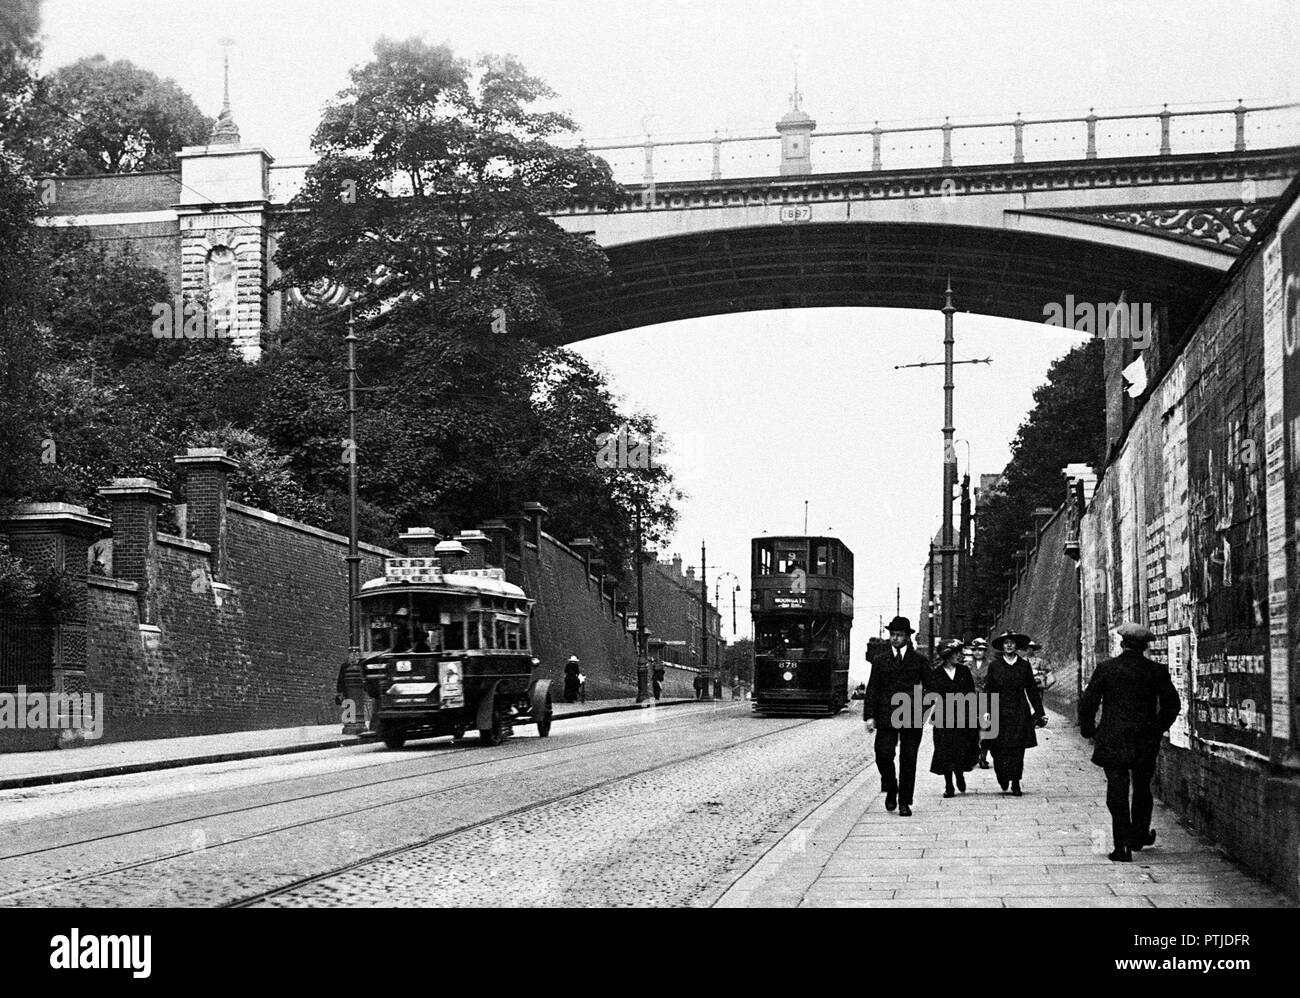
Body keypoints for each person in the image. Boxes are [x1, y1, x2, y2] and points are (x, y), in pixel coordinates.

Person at [1078, 622, 1181, 862]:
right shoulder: (1156, 671)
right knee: (1143, 788)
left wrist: (1089, 729)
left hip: (1113, 739)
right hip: (1145, 740)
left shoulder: (1106, 669)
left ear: (1122, 644)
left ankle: (1121, 845)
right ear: (1145, 646)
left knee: (1117, 789)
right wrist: (1157, 729)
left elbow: (1088, 701)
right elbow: (1172, 706)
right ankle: (1138, 836)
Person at [863, 616, 930, 817]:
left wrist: (921, 708)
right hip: (886, 716)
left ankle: (904, 802)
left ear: (907, 637)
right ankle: (891, 787)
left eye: (899, 635)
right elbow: (872, 688)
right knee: (883, 754)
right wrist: (869, 716)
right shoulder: (880, 660)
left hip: (911, 716)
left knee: (908, 759)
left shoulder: (919, 660)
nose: (895, 638)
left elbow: (932, 687)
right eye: (892, 634)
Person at [982, 630, 1047, 796]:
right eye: (1006, 642)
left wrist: (1039, 712)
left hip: (1019, 712)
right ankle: (1002, 775)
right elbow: (989, 691)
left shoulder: (1024, 666)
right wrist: (987, 712)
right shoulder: (995, 666)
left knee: (1018, 750)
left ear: (1017, 646)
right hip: (999, 712)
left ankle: (1016, 781)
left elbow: (1032, 690)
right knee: (999, 748)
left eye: (1012, 642)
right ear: (1002, 647)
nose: (1009, 645)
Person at [928, 638, 981, 797]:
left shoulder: (964, 671)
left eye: (960, 652)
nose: (959, 655)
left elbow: (971, 694)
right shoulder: (936, 674)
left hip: (963, 717)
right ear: (947, 655)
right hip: (943, 718)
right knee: (945, 750)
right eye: (956, 653)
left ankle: (959, 774)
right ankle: (949, 785)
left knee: (960, 748)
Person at [968, 637, 992, 768]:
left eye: (981, 650)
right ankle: (974, 756)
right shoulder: (966, 665)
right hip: (971, 700)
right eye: (975, 650)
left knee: (985, 728)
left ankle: (983, 757)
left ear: (985, 651)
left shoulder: (991, 665)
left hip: (986, 700)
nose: (978, 652)